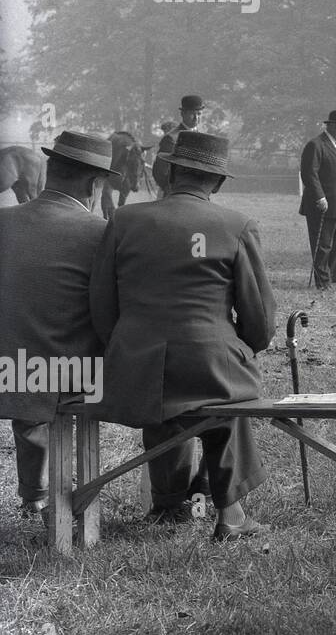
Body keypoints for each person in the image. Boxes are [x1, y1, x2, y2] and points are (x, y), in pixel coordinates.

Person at [90, 132, 276, 540]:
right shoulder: (237, 226)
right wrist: (242, 347)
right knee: (228, 399)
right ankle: (230, 511)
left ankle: (169, 500)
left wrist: (126, 346)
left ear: (170, 172)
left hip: (136, 362)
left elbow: (101, 305)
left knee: (164, 393)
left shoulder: (124, 220)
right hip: (210, 362)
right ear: (219, 182)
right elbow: (260, 322)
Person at [0, 131, 117, 521]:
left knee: (24, 355)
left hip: (10, 371)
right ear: (94, 184)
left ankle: (33, 496)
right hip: (78, 375)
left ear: (49, 171)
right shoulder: (100, 232)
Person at [299, 108, 336, 289]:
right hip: (323, 205)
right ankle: (323, 283)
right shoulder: (316, 145)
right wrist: (320, 197)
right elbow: (309, 174)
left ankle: (334, 279)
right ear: (332, 126)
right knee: (323, 246)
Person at [152, 95, 203, 196]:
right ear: (183, 114)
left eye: (199, 114)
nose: (196, 118)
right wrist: (171, 190)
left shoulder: (202, 138)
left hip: (197, 194)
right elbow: (160, 171)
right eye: (192, 114)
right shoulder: (171, 138)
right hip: (175, 195)